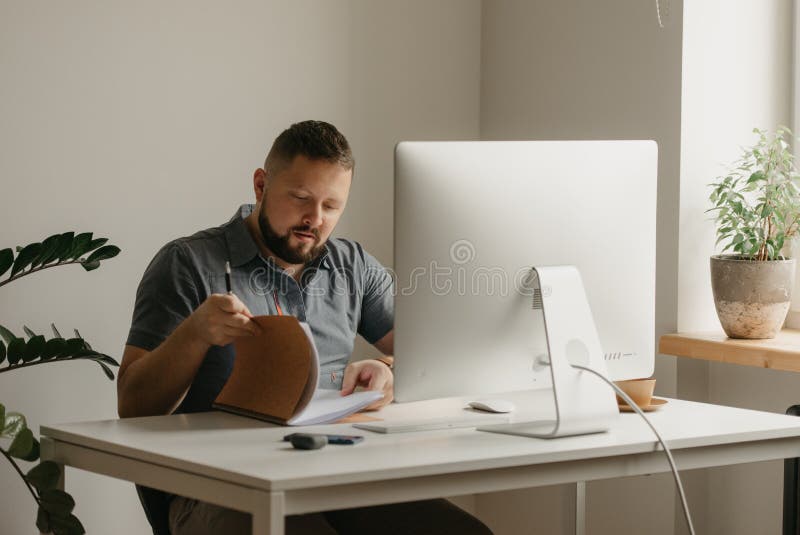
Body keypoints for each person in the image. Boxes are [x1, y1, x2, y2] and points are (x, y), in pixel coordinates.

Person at [117, 120, 492, 535]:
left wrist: (388, 369)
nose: (313, 219)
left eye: (331, 206)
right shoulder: (187, 264)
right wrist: (196, 333)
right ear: (260, 186)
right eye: (300, 198)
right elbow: (133, 407)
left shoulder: (353, 267)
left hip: (335, 475)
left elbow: (435, 355)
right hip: (217, 488)